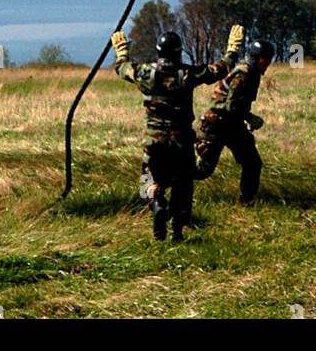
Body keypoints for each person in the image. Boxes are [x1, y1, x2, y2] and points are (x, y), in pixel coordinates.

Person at [112, 24, 244, 241]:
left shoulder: (145, 73)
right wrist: (233, 49)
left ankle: (157, 205)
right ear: (179, 51)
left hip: (153, 142)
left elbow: (122, 68)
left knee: (148, 182)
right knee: (183, 185)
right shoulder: (188, 74)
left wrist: (122, 51)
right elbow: (219, 70)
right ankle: (177, 232)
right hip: (181, 142)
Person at [195, 38, 276, 204]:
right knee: (202, 170)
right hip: (216, 124)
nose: (267, 63)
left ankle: (248, 200)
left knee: (252, 163)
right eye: (264, 59)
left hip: (232, 125)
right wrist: (250, 118)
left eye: (269, 60)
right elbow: (232, 106)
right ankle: (163, 182)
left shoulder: (253, 73)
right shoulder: (243, 73)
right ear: (255, 57)